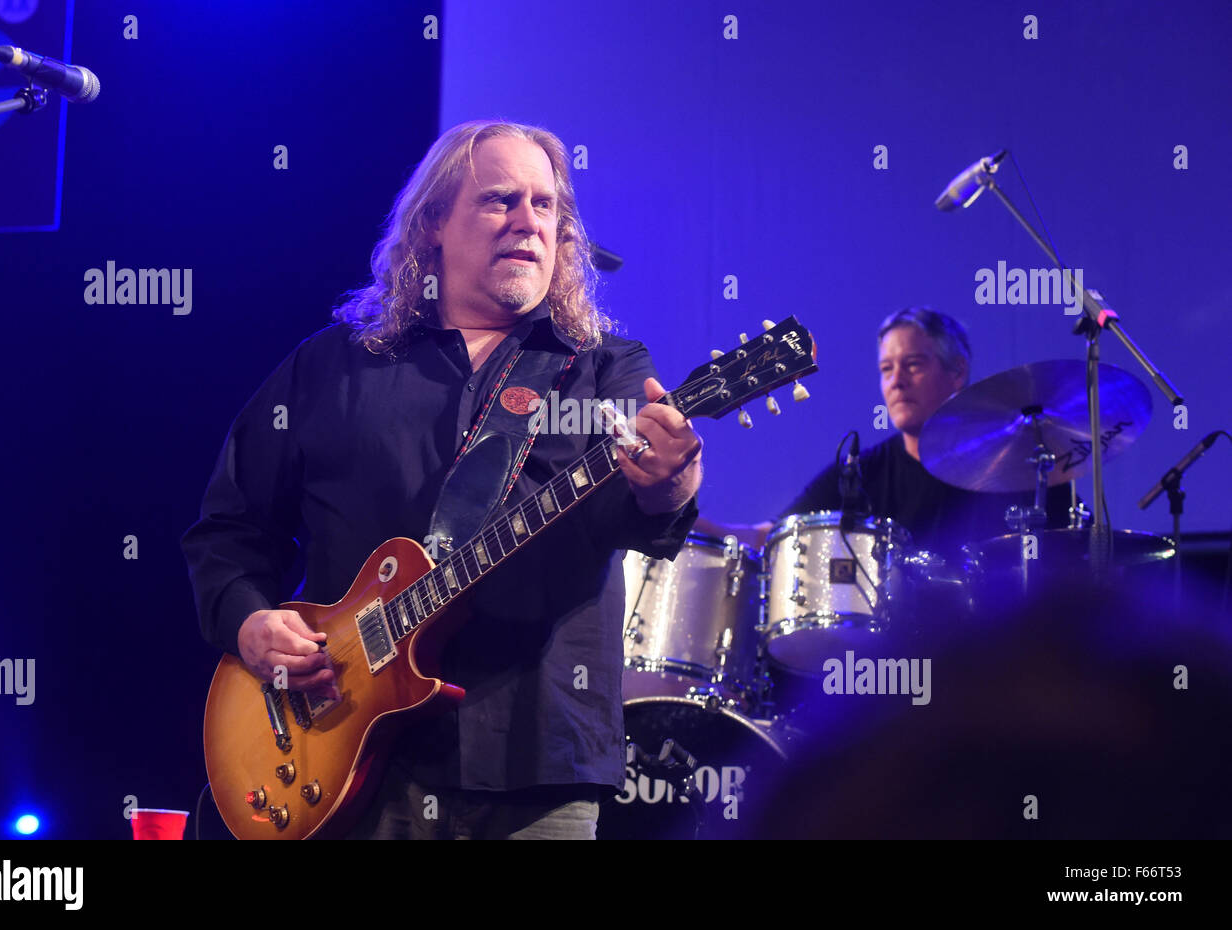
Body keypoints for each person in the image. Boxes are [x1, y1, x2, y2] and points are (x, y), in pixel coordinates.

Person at [180, 120, 703, 839]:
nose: (529, 222)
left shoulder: (603, 369)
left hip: (536, 762)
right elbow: (230, 528)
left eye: (546, 206)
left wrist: (670, 482)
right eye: (500, 201)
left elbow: (643, 508)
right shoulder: (332, 367)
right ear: (431, 224)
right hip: (346, 757)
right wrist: (250, 623)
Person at [773, 306, 1072, 555]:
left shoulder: (1020, 464)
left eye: (913, 365)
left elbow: (1078, 550)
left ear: (957, 371)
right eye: (886, 369)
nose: (896, 381)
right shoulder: (861, 472)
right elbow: (776, 534)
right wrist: (725, 536)